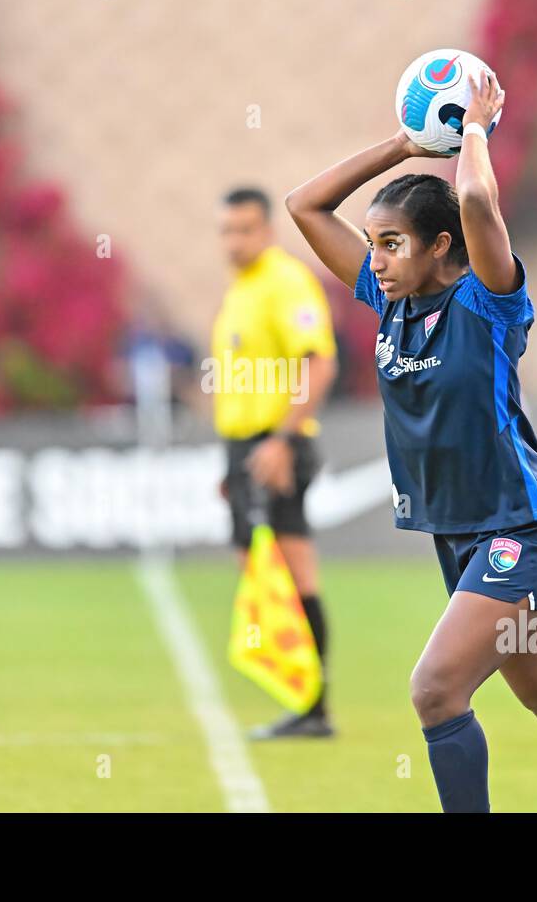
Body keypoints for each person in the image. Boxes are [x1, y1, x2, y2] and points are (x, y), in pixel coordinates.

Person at [284, 71, 537, 810]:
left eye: (392, 243)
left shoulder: (487, 303)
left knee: (435, 688)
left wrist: (473, 127)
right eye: (372, 244)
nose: (375, 258)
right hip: (462, 533)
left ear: (441, 245)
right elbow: (304, 205)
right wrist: (401, 145)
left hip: (525, 525)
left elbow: (477, 199)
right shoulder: (390, 304)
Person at [211, 186, 339, 739]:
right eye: (226, 229)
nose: (233, 240)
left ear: (268, 230)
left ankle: (314, 706)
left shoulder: (285, 282)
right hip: (246, 448)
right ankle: (302, 697)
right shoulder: (242, 288)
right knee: (264, 575)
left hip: (275, 446)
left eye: (244, 229)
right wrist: (233, 462)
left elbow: (320, 363)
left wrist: (282, 441)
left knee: (291, 572)